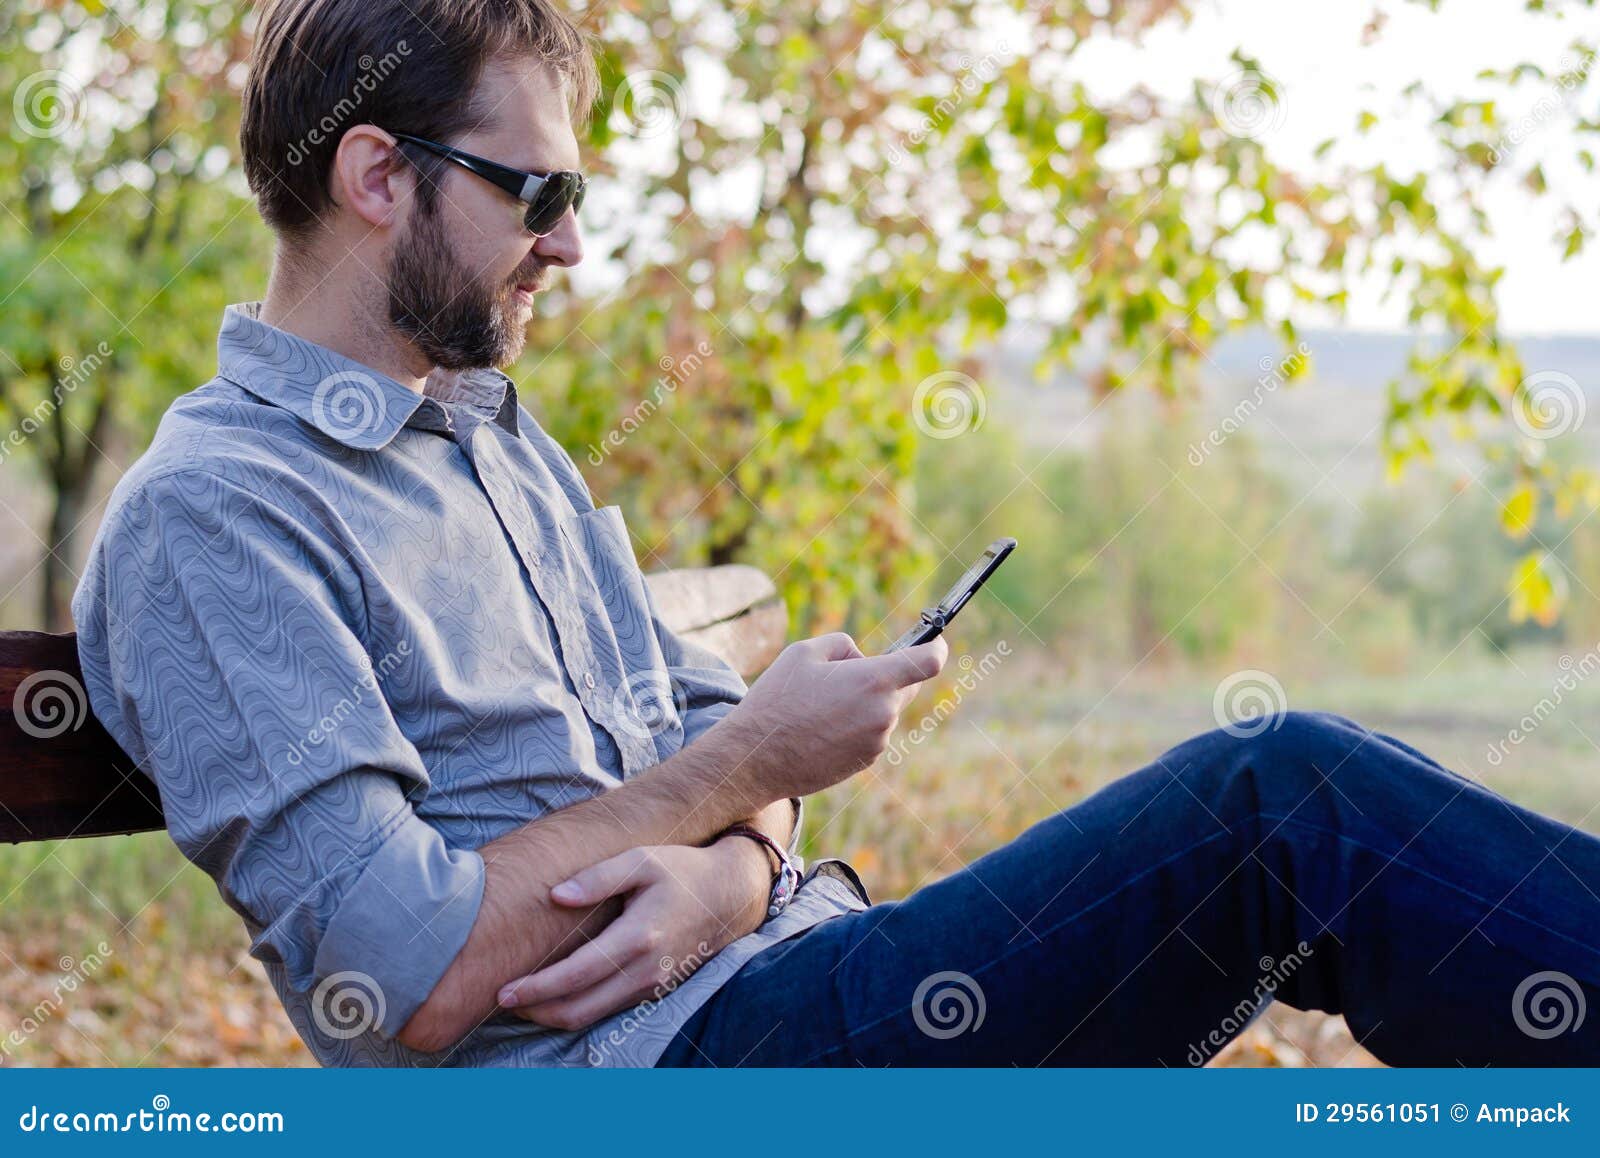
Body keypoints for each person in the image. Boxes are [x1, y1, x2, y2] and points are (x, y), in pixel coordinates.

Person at [72, 0, 1600, 1067]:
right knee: (1280, 810)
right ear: (375, 174)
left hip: (777, 973)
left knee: (1315, 840)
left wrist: (728, 870)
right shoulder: (219, 517)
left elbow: (712, 743)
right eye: (535, 189)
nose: (573, 242)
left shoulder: (490, 437)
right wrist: (743, 786)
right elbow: (392, 971)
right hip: (682, 1075)